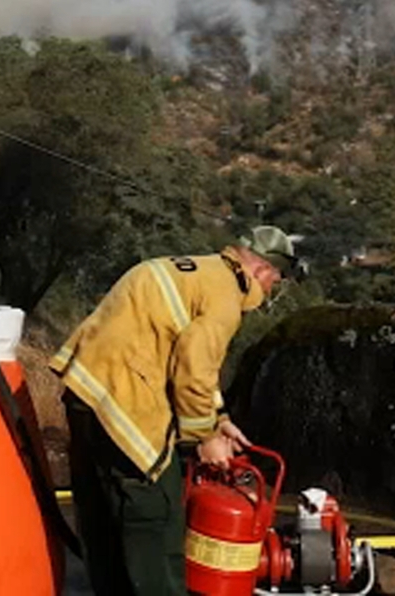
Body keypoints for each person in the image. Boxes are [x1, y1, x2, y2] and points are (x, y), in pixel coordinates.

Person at [49, 225, 303, 596]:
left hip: (84, 390)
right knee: (158, 512)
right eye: (273, 282)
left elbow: (188, 358)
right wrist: (204, 438)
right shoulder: (226, 298)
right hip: (126, 402)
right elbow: (193, 370)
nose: (269, 291)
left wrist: (219, 420)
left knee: (102, 517)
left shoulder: (196, 271)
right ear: (263, 270)